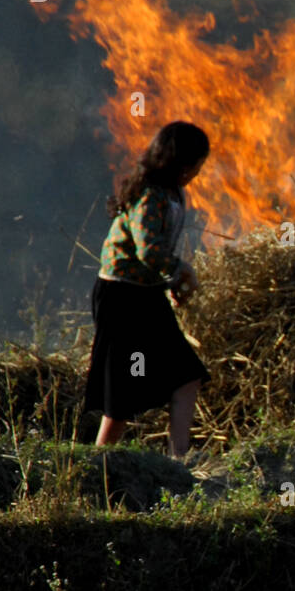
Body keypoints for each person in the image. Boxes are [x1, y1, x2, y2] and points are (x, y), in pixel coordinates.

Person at [85, 120, 211, 460]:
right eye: (196, 164)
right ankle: (97, 466)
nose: (197, 172)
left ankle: (179, 459)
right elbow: (148, 250)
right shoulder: (150, 195)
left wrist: (170, 284)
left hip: (145, 294)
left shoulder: (172, 195)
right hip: (121, 297)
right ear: (181, 163)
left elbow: (157, 256)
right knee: (121, 397)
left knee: (187, 376)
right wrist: (182, 270)